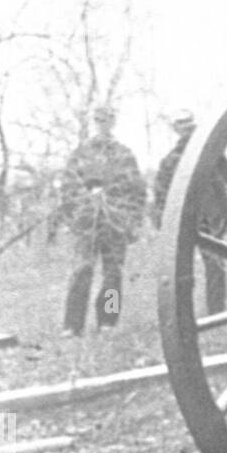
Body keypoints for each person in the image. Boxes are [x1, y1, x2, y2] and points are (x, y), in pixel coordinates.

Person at [59, 105, 146, 336]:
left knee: (113, 274)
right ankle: (72, 325)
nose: (103, 124)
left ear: (113, 123)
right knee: (81, 271)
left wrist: (132, 221)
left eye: (107, 120)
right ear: (94, 123)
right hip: (87, 225)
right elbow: (67, 188)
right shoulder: (81, 153)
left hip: (115, 224)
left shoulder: (124, 155)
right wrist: (75, 217)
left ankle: (108, 322)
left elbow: (137, 191)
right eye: (99, 120)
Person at [154, 108, 227, 314]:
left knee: (214, 264)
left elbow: (221, 184)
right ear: (176, 130)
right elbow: (161, 193)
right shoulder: (170, 161)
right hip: (182, 219)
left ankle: (217, 311)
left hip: (208, 217)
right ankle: (182, 312)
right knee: (180, 268)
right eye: (182, 126)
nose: (186, 130)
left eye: (189, 126)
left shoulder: (210, 154)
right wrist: (162, 221)